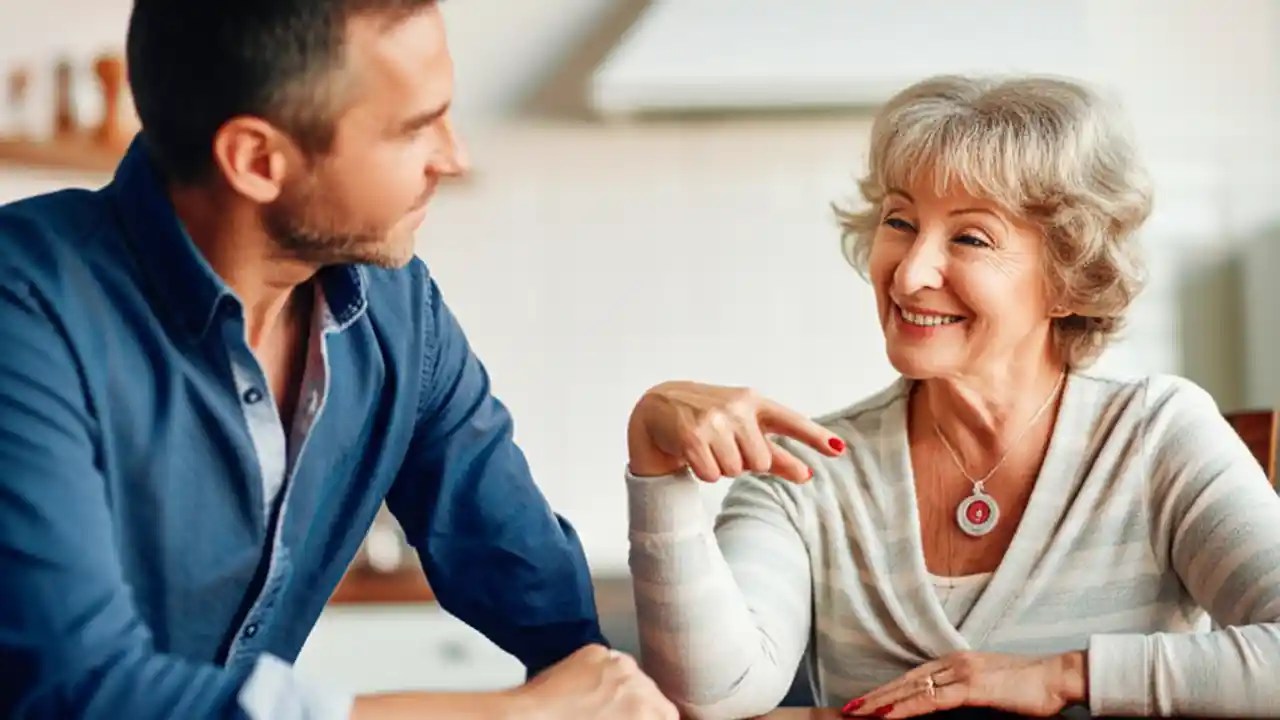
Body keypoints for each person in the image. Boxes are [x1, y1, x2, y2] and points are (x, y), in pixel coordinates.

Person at [0, 1, 676, 719]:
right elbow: (85, 692)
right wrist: (515, 712)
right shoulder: (25, 310)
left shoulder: (396, 306)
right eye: (415, 128)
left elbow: (532, 584)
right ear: (258, 160)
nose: (455, 156)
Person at [624, 74, 1280, 719]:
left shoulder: (1154, 436)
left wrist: (1063, 677)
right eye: (900, 221)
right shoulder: (808, 472)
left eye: (969, 237)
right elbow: (712, 697)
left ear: (1070, 280)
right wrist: (656, 463)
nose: (909, 274)